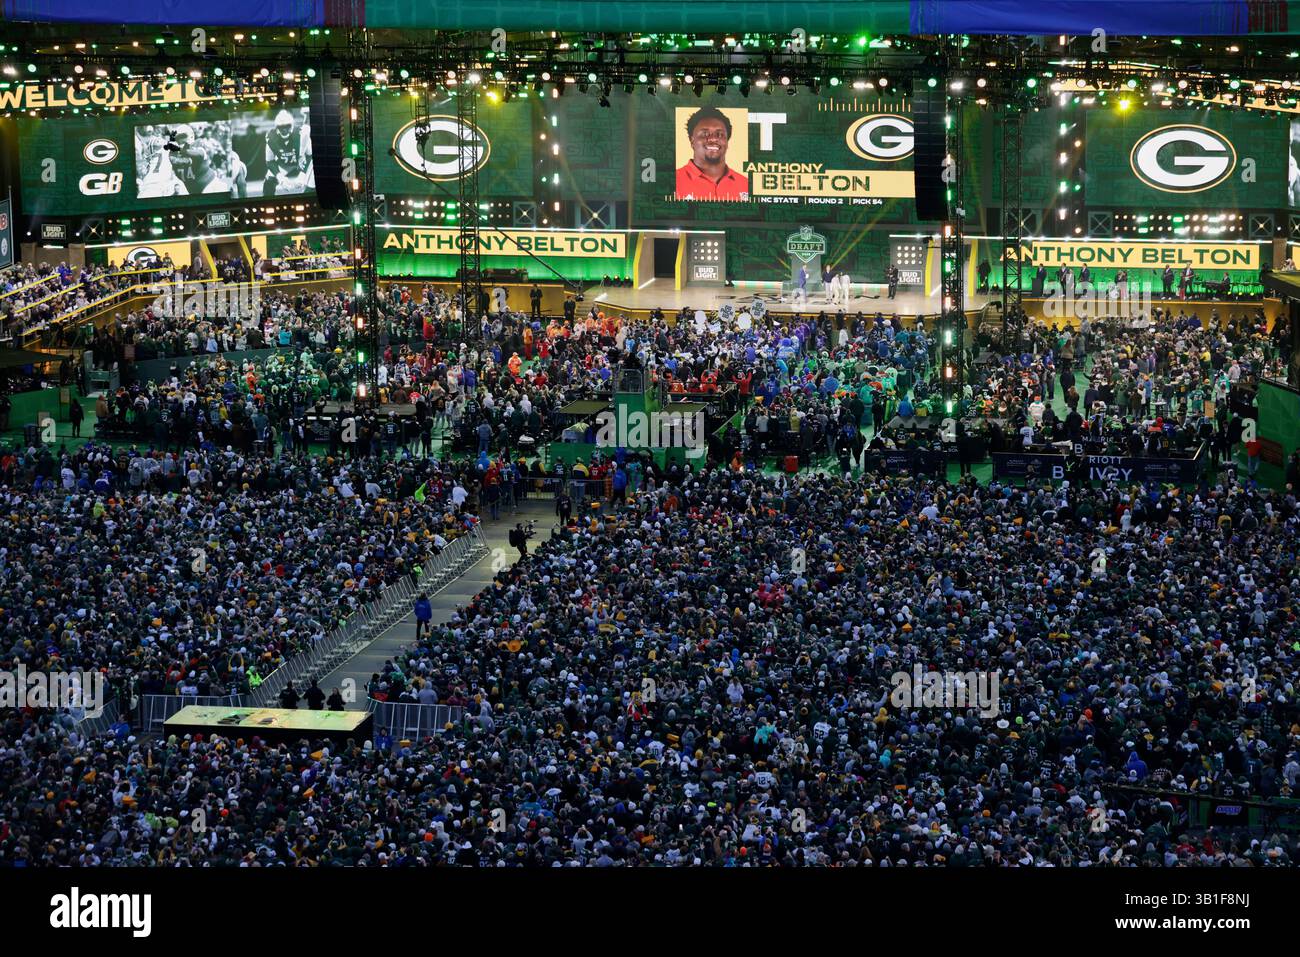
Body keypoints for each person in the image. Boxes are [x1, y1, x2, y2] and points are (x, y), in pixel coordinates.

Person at [675, 107, 748, 201]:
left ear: (727, 141)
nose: (713, 139)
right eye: (705, 134)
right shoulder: (673, 181)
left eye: (720, 134)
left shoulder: (745, 184)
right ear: (692, 141)